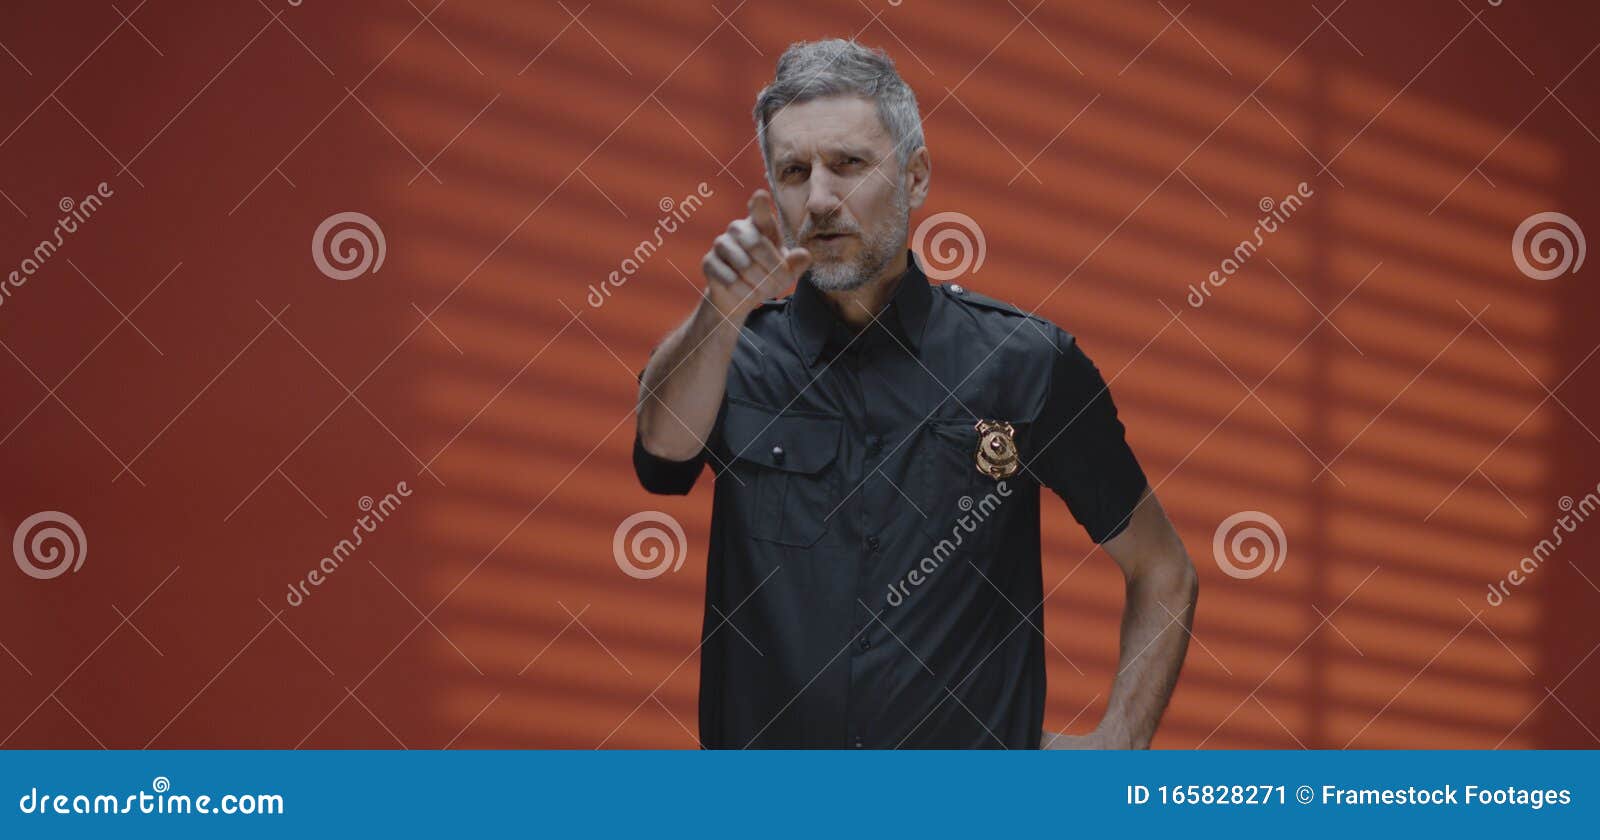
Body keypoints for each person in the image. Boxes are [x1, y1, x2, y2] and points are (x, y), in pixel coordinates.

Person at [633, 38, 1197, 748]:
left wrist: (1119, 746)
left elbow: (1162, 569)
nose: (820, 198)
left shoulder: (1024, 363)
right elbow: (660, 454)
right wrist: (717, 313)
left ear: (918, 176)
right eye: (794, 171)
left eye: (848, 164)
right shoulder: (733, 356)